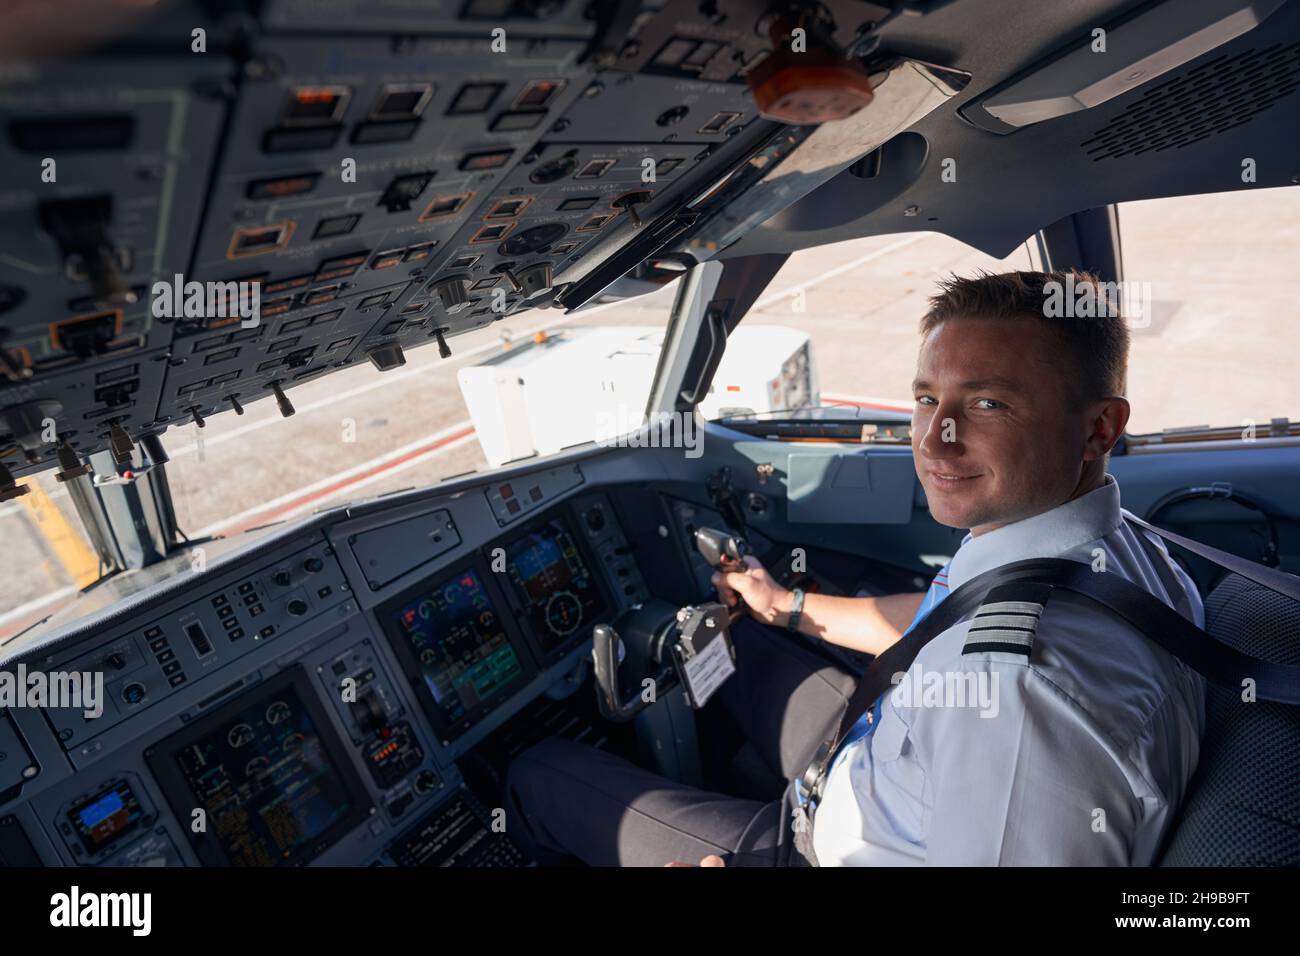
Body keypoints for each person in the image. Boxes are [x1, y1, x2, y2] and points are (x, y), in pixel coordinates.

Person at [503, 269, 1206, 866]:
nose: (935, 440)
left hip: (815, 846)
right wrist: (785, 604)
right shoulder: (1109, 545)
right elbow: (947, 612)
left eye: (987, 403)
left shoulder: (1016, 702)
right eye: (928, 398)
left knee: (536, 773)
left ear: (1099, 428)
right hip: (884, 753)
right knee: (733, 637)